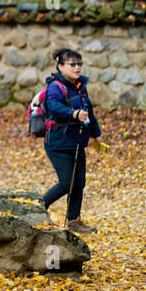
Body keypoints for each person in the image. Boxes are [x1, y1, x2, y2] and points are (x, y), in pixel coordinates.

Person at [39, 48, 102, 235]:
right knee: (67, 182)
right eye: (72, 64)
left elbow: (88, 112)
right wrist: (73, 114)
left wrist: (96, 133)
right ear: (60, 66)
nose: (77, 68)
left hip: (77, 142)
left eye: (79, 64)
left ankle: (74, 221)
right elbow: (54, 106)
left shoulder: (80, 87)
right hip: (57, 142)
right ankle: (38, 207)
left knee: (79, 181)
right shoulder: (55, 86)